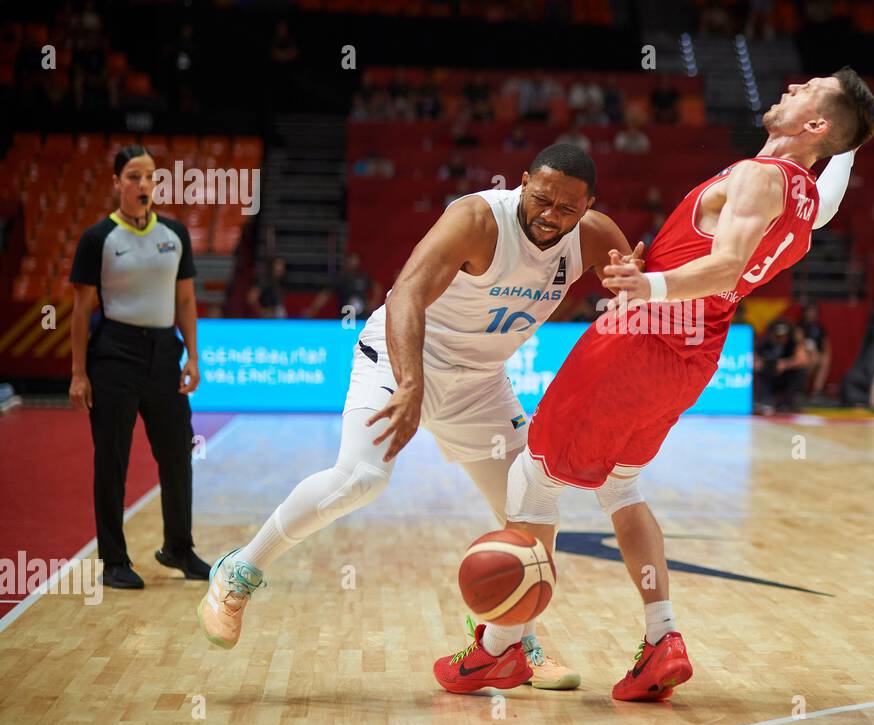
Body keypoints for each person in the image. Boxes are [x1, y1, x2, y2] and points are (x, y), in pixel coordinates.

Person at [432, 69, 874, 700]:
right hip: (694, 358)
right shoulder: (804, 199)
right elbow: (816, 203)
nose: (791, 87)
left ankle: (497, 650)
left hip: (640, 339)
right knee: (621, 484)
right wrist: (850, 145)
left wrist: (651, 286)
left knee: (532, 479)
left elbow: (724, 264)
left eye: (807, 89)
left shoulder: (759, 176)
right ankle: (661, 638)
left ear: (815, 127)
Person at [197, 145, 641, 693]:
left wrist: (632, 290)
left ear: (589, 205)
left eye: (566, 209)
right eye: (541, 198)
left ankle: (509, 641)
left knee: (531, 504)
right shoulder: (478, 220)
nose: (550, 215)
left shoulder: (596, 235)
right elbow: (406, 292)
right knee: (361, 478)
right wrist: (410, 384)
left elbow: (636, 298)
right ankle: (237, 572)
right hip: (401, 358)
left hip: (480, 385)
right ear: (523, 182)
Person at [68, 145, 209, 589]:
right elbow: (79, 310)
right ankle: (113, 560)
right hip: (115, 352)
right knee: (112, 458)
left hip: (165, 353)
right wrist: (78, 373)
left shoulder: (175, 234)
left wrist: (193, 355)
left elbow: (185, 298)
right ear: (116, 183)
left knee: (177, 451)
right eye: (133, 176)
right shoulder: (97, 239)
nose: (143, 184)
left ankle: (178, 548)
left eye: (149, 176)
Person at [303, 251, 384, 320]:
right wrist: (313, 309)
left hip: (363, 316)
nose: (353, 262)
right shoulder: (340, 278)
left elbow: (377, 287)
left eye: (355, 259)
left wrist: (374, 302)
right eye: (351, 259)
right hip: (346, 317)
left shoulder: (363, 276)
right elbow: (325, 295)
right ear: (346, 261)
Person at [755, 319, 809, 414]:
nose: (781, 338)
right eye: (777, 336)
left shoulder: (793, 344)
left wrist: (785, 364)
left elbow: (803, 359)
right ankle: (764, 401)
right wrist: (765, 364)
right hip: (770, 378)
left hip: (786, 378)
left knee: (800, 370)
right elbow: (754, 361)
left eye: (784, 336)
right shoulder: (764, 344)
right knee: (758, 371)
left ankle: (790, 401)